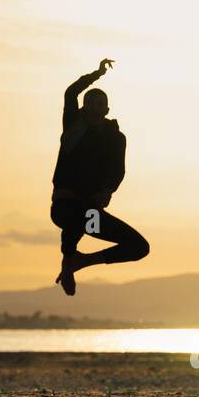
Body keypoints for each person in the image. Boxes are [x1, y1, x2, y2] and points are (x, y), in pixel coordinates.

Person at [50, 58, 149, 295]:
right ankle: (69, 258)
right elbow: (71, 92)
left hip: (92, 215)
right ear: (84, 109)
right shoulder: (73, 126)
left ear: (106, 110)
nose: (95, 110)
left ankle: (81, 262)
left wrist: (108, 190)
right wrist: (97, 73)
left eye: (100, 106)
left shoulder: (115, 138)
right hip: (64, 207)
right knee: (77, 213)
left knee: (139, 247)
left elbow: (118, 170)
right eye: (90, 105)